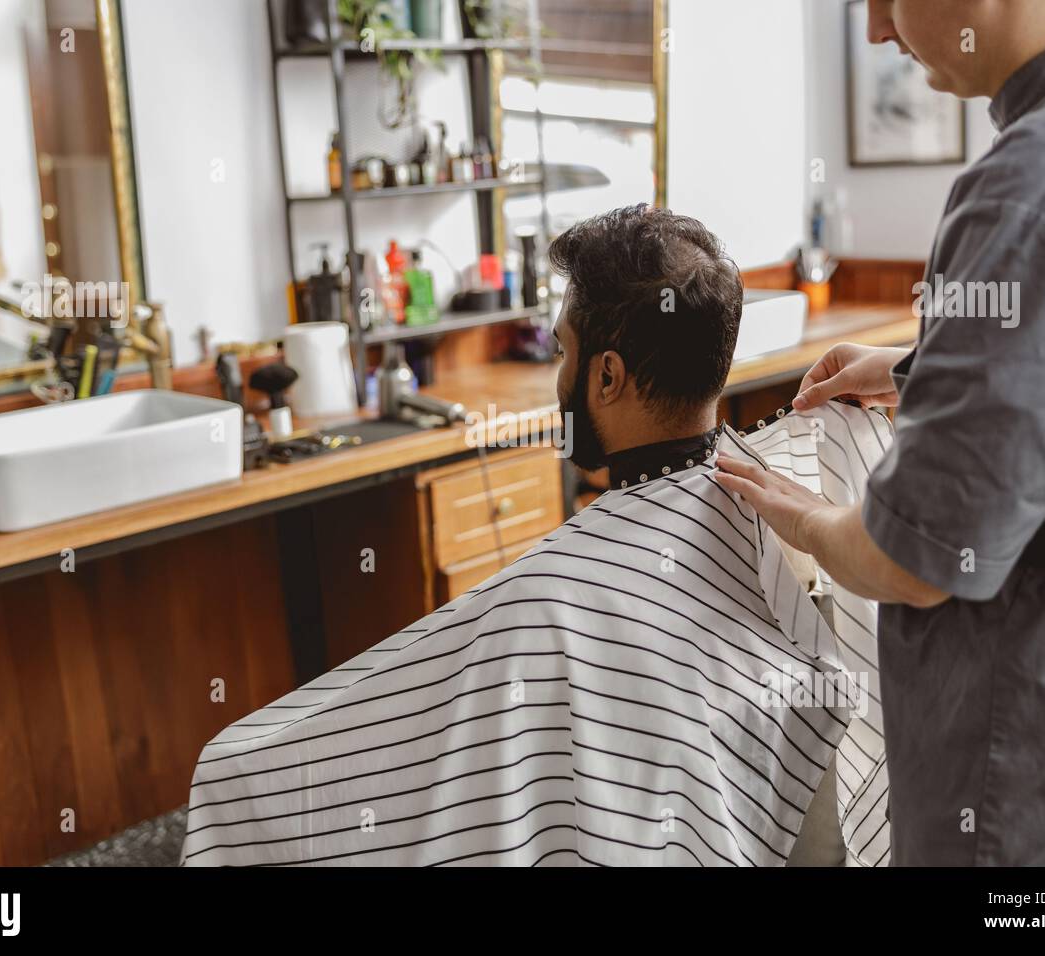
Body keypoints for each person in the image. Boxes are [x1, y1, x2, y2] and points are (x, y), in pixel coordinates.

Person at [183, 206, 891, 866]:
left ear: (606, 376)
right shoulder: (762, 504)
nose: (560, 379)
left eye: (564, 350)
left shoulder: (545, 604)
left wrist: (231, 769)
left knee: (229, 762)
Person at [717, 1, 1045, 865]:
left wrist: (810, 518)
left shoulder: (1042, 174)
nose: (877, 32)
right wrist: (922, 363)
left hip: (1030, 811)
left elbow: (915, 563)